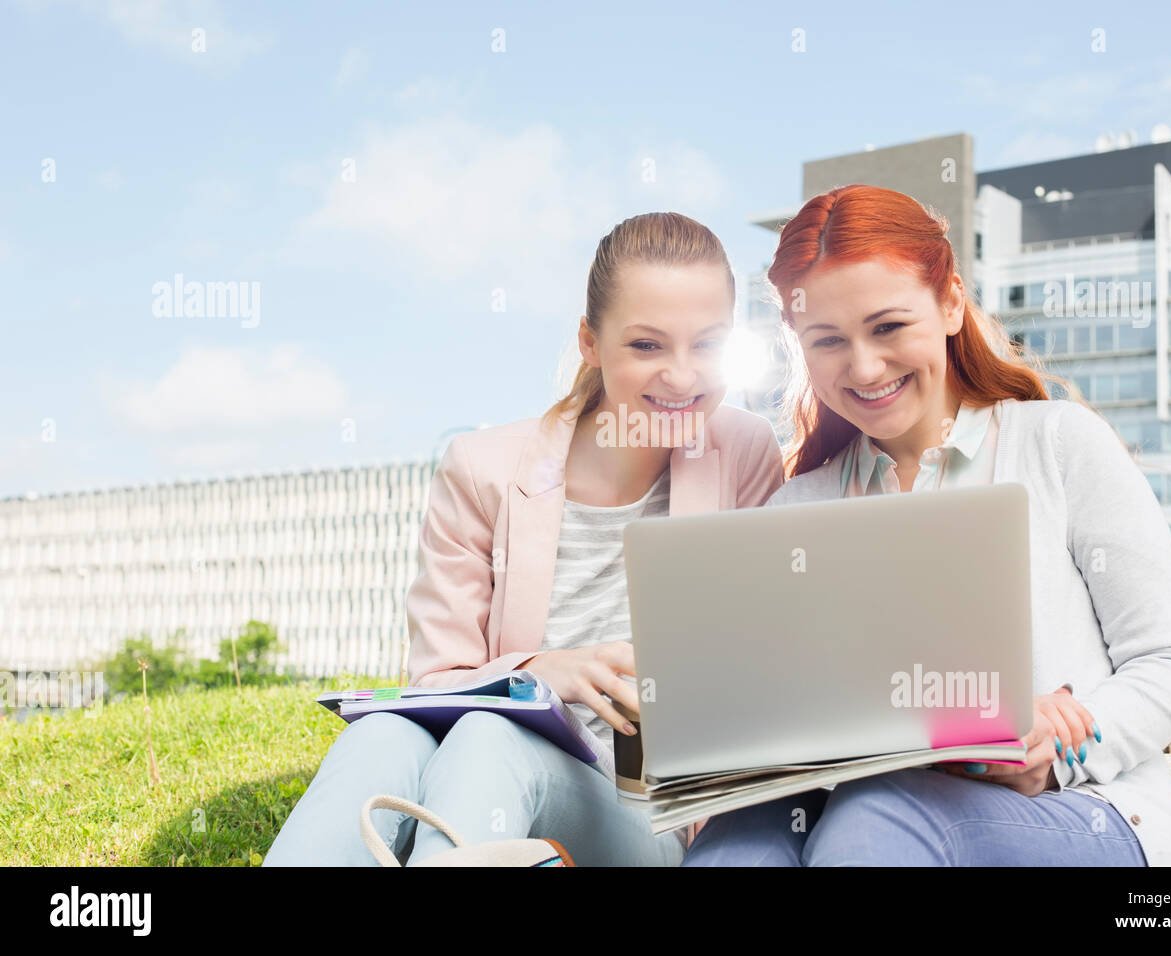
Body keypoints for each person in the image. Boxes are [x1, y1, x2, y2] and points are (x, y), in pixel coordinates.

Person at [681, 184, 1171, 867]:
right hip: (864, 800)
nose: (864, 367)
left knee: (875, 822)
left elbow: (1170, 663)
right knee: (740, 848)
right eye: (828, 341)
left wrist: (1059, 751)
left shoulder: (1058, 445)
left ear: (952, 303)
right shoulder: (797, 510)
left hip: (1080, 807)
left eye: (889, 326)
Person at [264, 212, 784, 866]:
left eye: (707, 345)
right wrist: (542, 675)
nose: (681, 378)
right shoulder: (482, 467)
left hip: (646, 817)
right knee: (383, 739)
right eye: (647, 346)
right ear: (590, 342)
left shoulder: (742, 452)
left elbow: (768, 671)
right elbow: (434, 682)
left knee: (490, 733)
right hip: (485, 779)